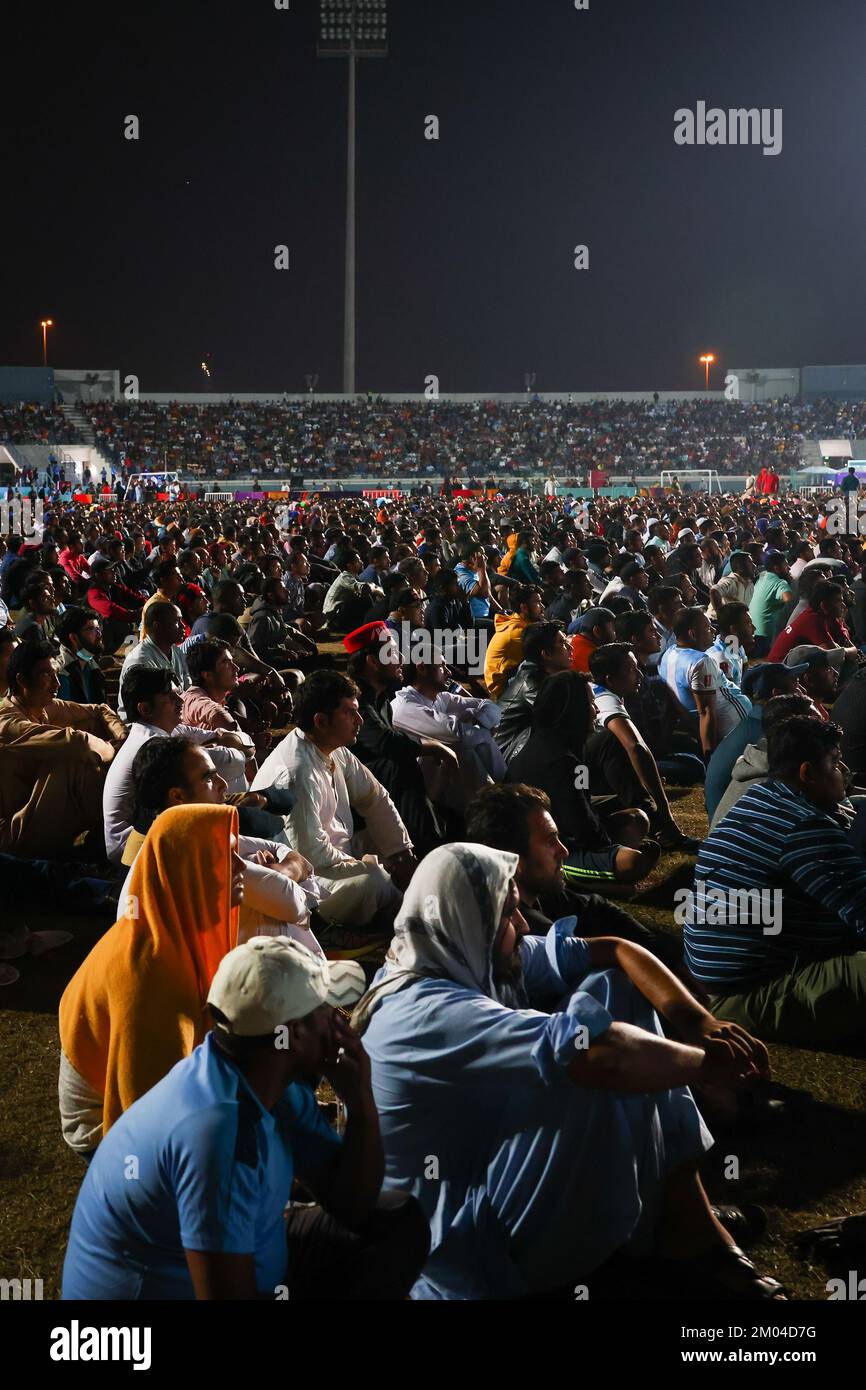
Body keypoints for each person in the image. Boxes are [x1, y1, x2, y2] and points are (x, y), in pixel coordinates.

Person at [355, 842, 778, 1301]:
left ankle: (683, 1218)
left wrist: (699, 1023)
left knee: (614, 993)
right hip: (464, 1247)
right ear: (469, 920)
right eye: (509, 914)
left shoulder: (448, 950)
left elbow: (616, 952)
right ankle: (677, 1226)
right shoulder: (425, 1013)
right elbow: (606, 1056)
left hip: (481, 1173)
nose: (522, 925)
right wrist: (706, 1066)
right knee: (596, 1059)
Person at [61, 937, 429, 1300]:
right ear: (293, 1034)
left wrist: (361, 1104)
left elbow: (353, 1207)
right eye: (326, 1008)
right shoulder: (217, 1132)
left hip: (248, 1258)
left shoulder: (265, 1082)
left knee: (397, 1221)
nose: (338, 1019)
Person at [58, 804, 243, 1156]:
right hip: (103, 1127)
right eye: (226, 856)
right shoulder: (146, 978)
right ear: (188, 870)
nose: (242, 869)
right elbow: (148, 1126)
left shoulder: (164, 926)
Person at [685, 717, 866, 1045]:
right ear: (807, 773)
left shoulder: (759, 798)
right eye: (836, 763)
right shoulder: (804, 827)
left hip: (717, 980)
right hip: (749, 994)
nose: (843, 772)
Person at [251, 671, 416, 927]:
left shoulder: (333, 748)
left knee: (396, 843)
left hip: (336, 857)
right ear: (321, 721)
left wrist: (400, 855)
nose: (360, 720)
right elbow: (311, 855)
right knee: (373, 882)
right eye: (350, 712)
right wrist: (370, 865)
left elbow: (374, 798)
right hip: (305, 876)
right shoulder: (296, 771)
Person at [466, 783, 679, 960]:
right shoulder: (528, 934)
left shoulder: (534, 893)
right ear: (513, 860)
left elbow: (596, 907)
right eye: (551, 842)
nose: (564, 851)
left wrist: (665, 954)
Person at [508, 670, 660, 888]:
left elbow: (583, 805)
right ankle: (569, 874)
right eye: (590, 704)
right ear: (573, 709)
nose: (596, 710)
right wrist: (610, 844)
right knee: (632, 861)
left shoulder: (558, 741)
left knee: (637, 818)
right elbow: (581, 825)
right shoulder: (562, 760)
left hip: (565, 826)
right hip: (552, 844)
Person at [104, 666, 253, 863]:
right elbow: (234, 761)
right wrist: (233, 747)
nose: (181, 701)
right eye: (171, 696)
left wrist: (229, 743)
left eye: (178, 694)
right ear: (146, 709)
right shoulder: (152, 744)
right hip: (133, 846)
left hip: (150, 832)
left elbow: (228, 738)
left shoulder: (165, 728)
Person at [0, 639, 125, 857]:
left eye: (56, 673)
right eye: (46, 675)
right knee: (70, 761)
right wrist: (112, 749)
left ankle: (108, 830)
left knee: (90, 725)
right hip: (13, 832)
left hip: (42, 814)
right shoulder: (7, 722)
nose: (57, 684)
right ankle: (111, 833)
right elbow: (78, 744)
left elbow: (99, 710)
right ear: (21, 680)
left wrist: (123, 738)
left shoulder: (42, 706)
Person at [344, 622, 453, 859]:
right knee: (400, 765)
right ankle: (432, 852)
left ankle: (435, 841)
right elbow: (385, 743)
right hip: (350, 796)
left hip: (377, 789)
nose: (402, 658)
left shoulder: (381, 698)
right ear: (373, 662)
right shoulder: (356, 701)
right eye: (393, 653)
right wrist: (433, 747)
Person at [587, 643, 700, 850]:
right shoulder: (605, 700)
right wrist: (660, 804)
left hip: (595, 776)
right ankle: (664, 830)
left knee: (690, 762)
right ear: (610, 679)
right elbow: (636, 748)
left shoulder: (602, 692)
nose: (639, 674)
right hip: (590, 781)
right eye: (630, 669)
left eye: (637, 666)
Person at [703, 662, 808, 823]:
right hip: (736, 827)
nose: (802, 691)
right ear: (777, 694)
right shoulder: (767, 732)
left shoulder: (754, 723)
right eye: (795, 683)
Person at [391, 657, 506, 801]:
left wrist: (476, 718)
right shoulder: (404, 707)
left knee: (471, 730)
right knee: (460, 745)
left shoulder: (441, 698)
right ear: (421, 668)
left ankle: (502, 790)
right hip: (418, 792)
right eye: (442, 666)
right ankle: (494, 800)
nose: (449, 672)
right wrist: (477, 720)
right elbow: (459, 735)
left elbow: (491, 707)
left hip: (448, 786)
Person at [659, 607, 746, 758]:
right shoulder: (701, 662)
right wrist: (710, 756)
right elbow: (706, 712)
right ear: (692, 634)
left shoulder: (668, 653)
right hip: (733, 729)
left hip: (704, 726)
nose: (713, 630)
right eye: (707, 627)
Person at [494, 620, 573, 762]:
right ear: (546, 654)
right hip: (505, 755)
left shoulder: (544, 672)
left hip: (520, 746)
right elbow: (560, 716)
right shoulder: (532, 683)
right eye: (562, 643)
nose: (570, 647)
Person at [117, 601, 190, 720]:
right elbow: (146, 712)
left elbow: (186, 689)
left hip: (171, 719)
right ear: (157, 626)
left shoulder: (176, 652)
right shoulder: (141, 660)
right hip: (146, 726)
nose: (183, 626)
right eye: (177, 622)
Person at [768, 580, 858, 665]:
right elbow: (835, 656)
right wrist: (848, 651)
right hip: (781, 670)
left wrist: (847, 650)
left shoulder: (827, 615)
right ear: (824, 605)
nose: (843, 605)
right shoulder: (812, 619)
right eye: (839, 601)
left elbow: (847, 643)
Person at [483, 585, 544, 699]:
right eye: (538, 603)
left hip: (505, 678)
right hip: (501, 688)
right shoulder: (518, 632)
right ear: (524, 608)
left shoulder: (521, 622)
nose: (542, 607)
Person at [55, 607, 109, 704]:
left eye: (98, 628)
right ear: (73, 638)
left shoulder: (89, 662)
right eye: (91, 629)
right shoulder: (61, 674)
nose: (99, 634)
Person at [747, 551, 794, 657]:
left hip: (754, 635)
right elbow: (791, 604)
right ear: (777, 568)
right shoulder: (779, 583)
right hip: (767, 640)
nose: (789, 568)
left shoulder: (761, 577)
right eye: (786, 566)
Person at [570, 606, 616, 673]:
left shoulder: (574, 641)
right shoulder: (593, 658)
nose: (616, 634)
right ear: (597, 631)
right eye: (614, 630)